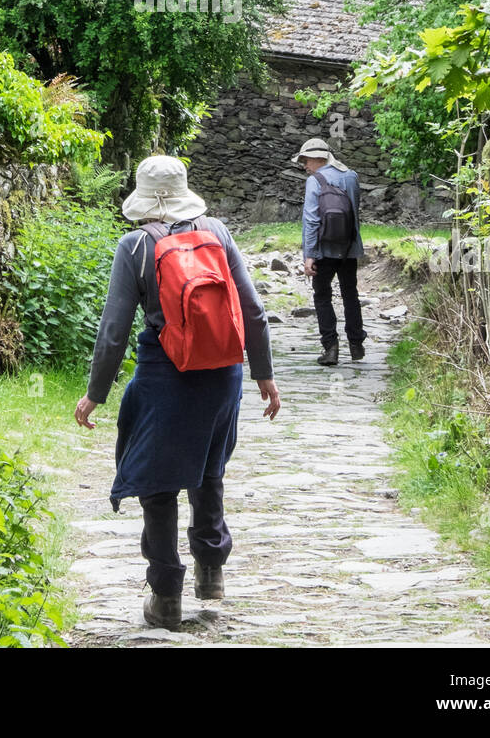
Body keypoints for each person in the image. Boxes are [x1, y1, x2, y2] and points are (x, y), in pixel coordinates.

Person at [74, 155, 280, 631]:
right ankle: (212, 573)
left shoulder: (135, 246)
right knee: (208, 470)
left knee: (158, 483)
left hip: (165, 376)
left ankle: (166, 596)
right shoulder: (219, 234)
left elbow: (113, 331)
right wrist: (263, 374)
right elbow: (253, 310)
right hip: (222, 374)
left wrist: (95, 394)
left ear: (143, 199)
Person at [294, 137, 366, 366]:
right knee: (350, 294)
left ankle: (331, 348)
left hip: (323, 250)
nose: (305, 165)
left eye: (306, 160)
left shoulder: (315, 180)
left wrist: (309, 254)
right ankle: (356, 345)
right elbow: (355, 213)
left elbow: (312, 220)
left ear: (319, 158)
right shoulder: (351, 176)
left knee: (322, 296)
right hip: (348, 248)